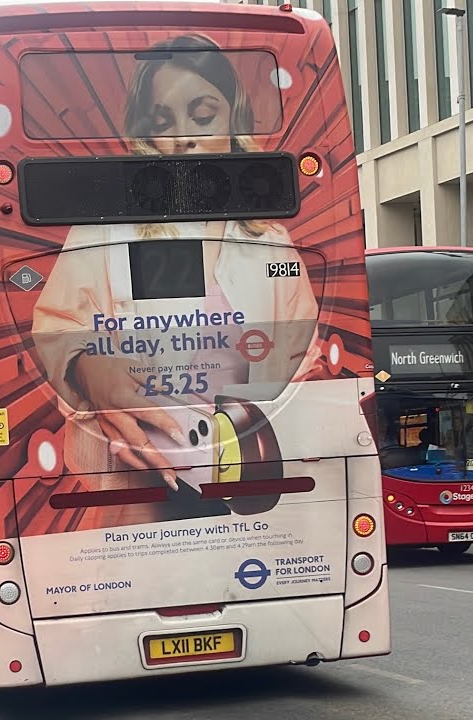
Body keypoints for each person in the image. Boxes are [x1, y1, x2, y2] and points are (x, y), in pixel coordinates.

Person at [29, 34, 319, 524]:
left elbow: (304, 359)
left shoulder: (270, 240)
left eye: (203, 115)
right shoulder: (105, 229)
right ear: (147, 136)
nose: (182, 136)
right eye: (163, 122)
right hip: (133, 491)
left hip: (248, 487)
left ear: (235, 119)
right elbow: (55, 331)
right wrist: (88, 372)